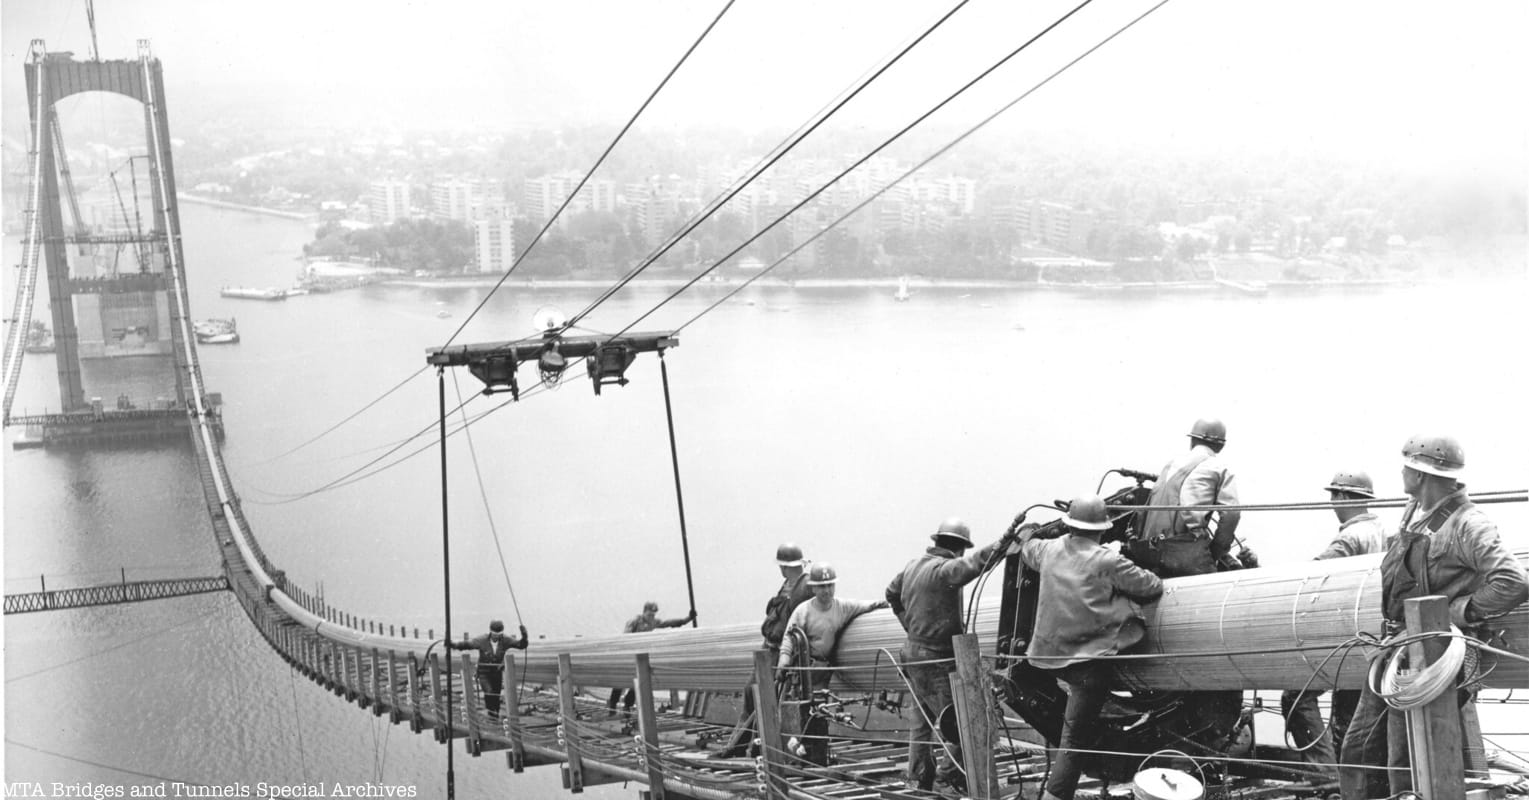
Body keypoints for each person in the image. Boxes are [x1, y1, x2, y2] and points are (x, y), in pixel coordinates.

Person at [1338, 435, 1527, 799]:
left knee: (1405, 760)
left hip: (1428, 655)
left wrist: (1459, 611)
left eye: (1406, 466)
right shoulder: (1414, 511)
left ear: (1420, 474)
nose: (1402, 473)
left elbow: (1513, 581)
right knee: (1360, 748)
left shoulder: (1469, 524)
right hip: (1396, 647)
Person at [1018, 495, 1164, 800]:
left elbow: (1027, 548)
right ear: (1103, 529)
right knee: (1074, 740)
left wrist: (1028, 532)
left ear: (1069, 525)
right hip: (1086, 665)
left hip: (1046, 658)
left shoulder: (1048, 550)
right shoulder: (1107, 560)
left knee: (1071, 729)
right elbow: (1152, 586)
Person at [885, 517, 1016, 792]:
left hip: (913, 654)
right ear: (960, 547)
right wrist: (1007, 542)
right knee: (963, 721)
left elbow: (891, 593)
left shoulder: (912, 566)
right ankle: (947, 778)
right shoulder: (943, 571)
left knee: (921, 722)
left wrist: (908, 624)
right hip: (936, 659)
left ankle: (919, 779)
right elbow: (975, 563)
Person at [1280, 470, 1386, 770]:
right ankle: (1349, 780)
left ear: (1341, 496)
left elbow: (1313, 576)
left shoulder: (1351, 537)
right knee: (1349, 717)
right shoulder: (1379, 530)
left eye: (1333, 496)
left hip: (1346, 637)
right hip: (1371, 639)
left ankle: (1324, 776)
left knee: (1296, 698)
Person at [777, 562, 888, 766]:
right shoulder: (803, 611)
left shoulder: (841, 607)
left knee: (819, 713)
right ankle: (801, 758)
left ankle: (816, 759)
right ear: (813, 588)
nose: (826, 590)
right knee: (803, 714)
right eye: (821, 586)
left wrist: (884, 604)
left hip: (822, 670)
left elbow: (864, 605)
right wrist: (783, 660)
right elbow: (789, 638)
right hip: (803, 670)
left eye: (830, 585)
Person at [1140, 417, 1253, 578]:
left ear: (1192, 440)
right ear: (1221, 445)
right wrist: (1216, 551)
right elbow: (1232, 514)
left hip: (1147, 551)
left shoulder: (1169, 465)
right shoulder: (1219, 468)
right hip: (1184, 553)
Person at [608, 601, 696, 716]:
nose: (651, 617)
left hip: (640, 656)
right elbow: (625, 638)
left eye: (653, 615)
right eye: (649, 614)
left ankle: (627, 706)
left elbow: (669, 623)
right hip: (628, 654)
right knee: (621, 681)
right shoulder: (634, 621)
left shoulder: (653, 622)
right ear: (644, 612)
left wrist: (687, 619)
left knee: (638, 682)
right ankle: (612, 705)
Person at [447, 619, 529, 718]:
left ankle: (495, 714)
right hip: (484, 673)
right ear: (490, 631)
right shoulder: (482, 640)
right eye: (494, 634)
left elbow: (521, 645)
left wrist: (524, 635)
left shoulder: (506, 640)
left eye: (499, 634)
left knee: (496, 695)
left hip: (497, 673)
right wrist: (453, 645)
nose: (496, 636)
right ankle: (491, 713)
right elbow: (467, 644)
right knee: (489, 692)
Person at [762, 542, 814, 659]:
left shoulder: (807, 585)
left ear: (784, 566)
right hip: (776, 648)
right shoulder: (787, 585)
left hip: (792, 652)